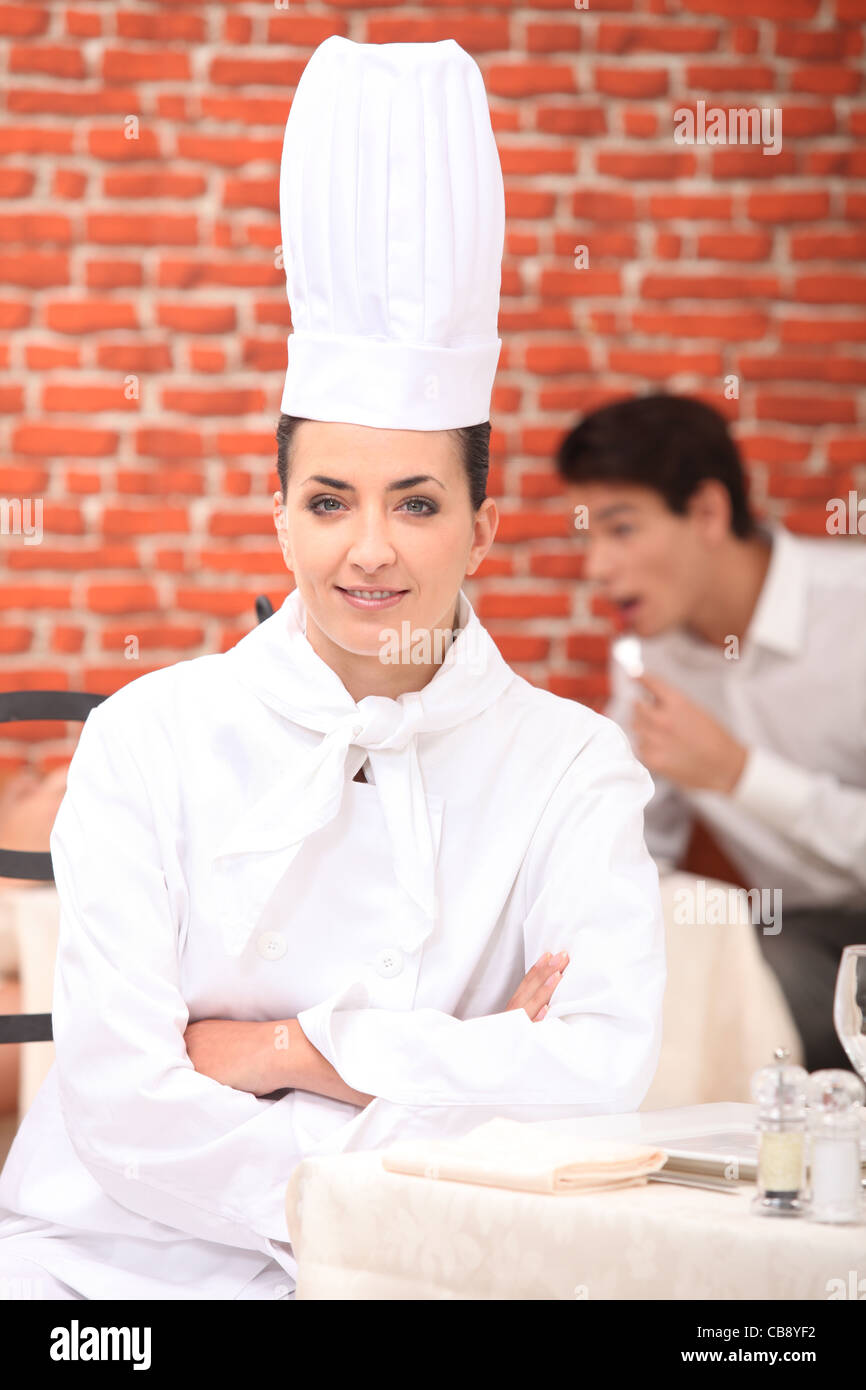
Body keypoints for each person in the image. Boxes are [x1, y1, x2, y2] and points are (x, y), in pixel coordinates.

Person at [0, 38, 664, 1301]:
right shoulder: (151, 735)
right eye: (329, 501)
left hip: (431, 1272)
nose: (369, 550)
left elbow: (597, 1068)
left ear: (482, 524)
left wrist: (288, 1048)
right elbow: (121, 1103)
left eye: (416, 504)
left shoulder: (572, 763)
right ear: (279, 519)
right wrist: (454, 1069)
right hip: (105, 1271)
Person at [555, 391, 866, 1073]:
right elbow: (637, 846)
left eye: (620, 529)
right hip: (789, 933)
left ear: (707, 512)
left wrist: (737, 774)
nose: (596, 568)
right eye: (589, 536)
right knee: (681, 975)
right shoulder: (651, 657)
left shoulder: (855, 614)